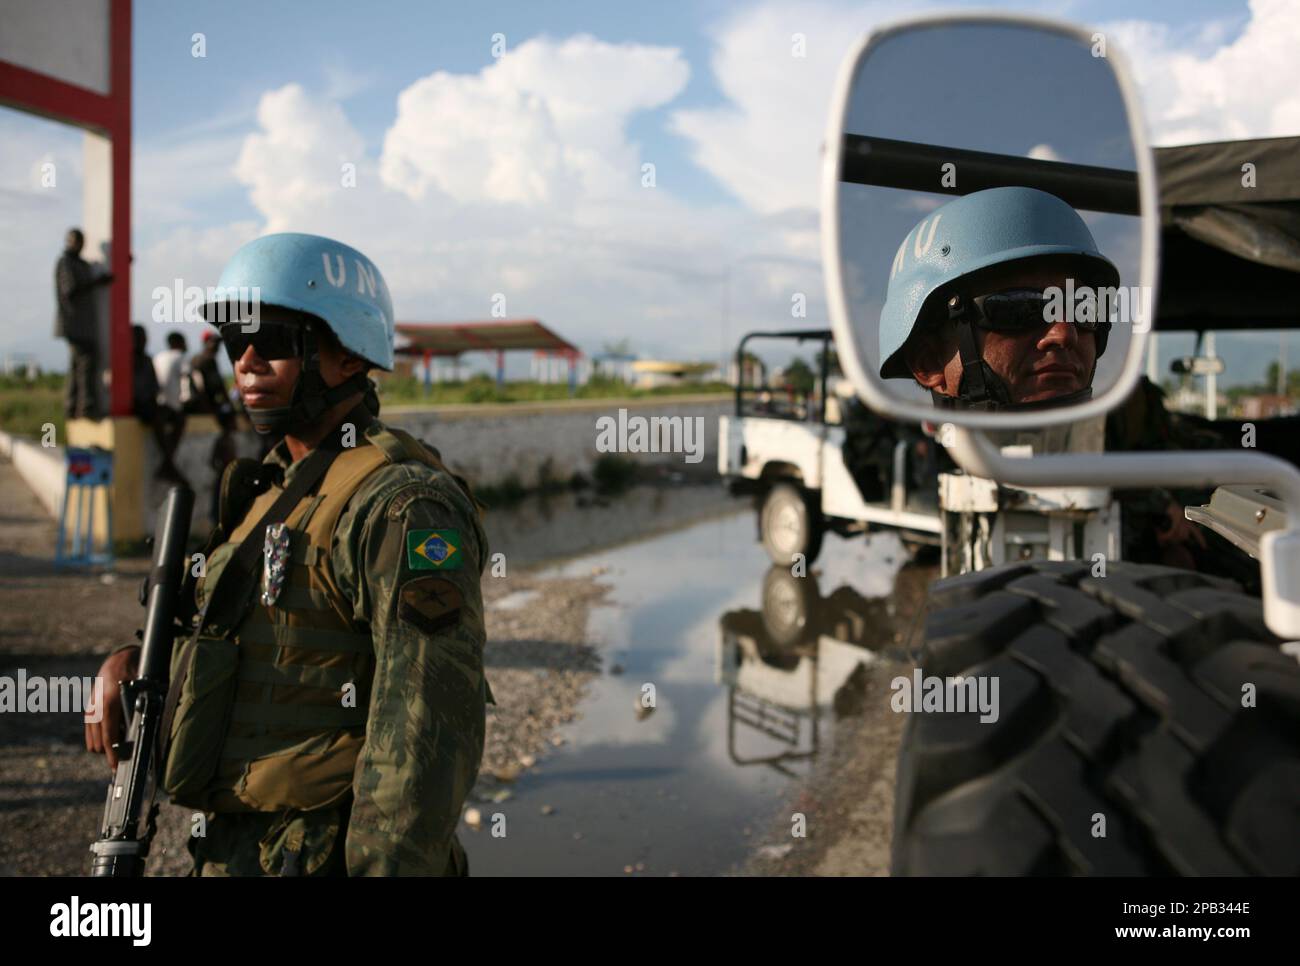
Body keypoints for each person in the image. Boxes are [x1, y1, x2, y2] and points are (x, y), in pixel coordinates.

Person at [87, 233, 491, 876]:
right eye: (232, 341)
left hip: (325, 854)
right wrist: (137, 663)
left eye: (272, 339)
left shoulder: (403, 504)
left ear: (350, 356)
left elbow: (425, 731)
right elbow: (259, 644)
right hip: (233, 848)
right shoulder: (268, 486)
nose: (245, 361)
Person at [878, 186, 1119, 412]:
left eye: (1084, 309)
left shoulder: (1141, 455)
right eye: (1019, 308)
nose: (1064, 333)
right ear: (928, 362)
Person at [54, 228, 113, 420]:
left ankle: (73, 408)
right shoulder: (66, 263)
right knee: (85, 366)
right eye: (73, 241)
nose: (77, 244)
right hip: (75, 325)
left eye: (79, 241)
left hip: (84, 326)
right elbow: (70, 289)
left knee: (78, 367)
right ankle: (86, 408)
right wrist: (96, 282)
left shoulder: (80, 264)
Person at [130, 324, 186, 482]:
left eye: (143, 338)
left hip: (150, 403)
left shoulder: (148, 359)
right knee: (157, 418)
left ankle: (167, 464)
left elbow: (155, 386)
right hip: (137, 406)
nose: (142, 342)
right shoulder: (127, 360)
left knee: (178, 417)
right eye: (139, 338)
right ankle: (168, 465)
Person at [152, 332, 190, 482]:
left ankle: (167, 465)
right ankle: (167, 465)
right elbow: (188, 381)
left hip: (158, 404)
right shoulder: (180, 357)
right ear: (179, 343)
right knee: (180, 423)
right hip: (172, 405)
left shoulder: (158, 357)